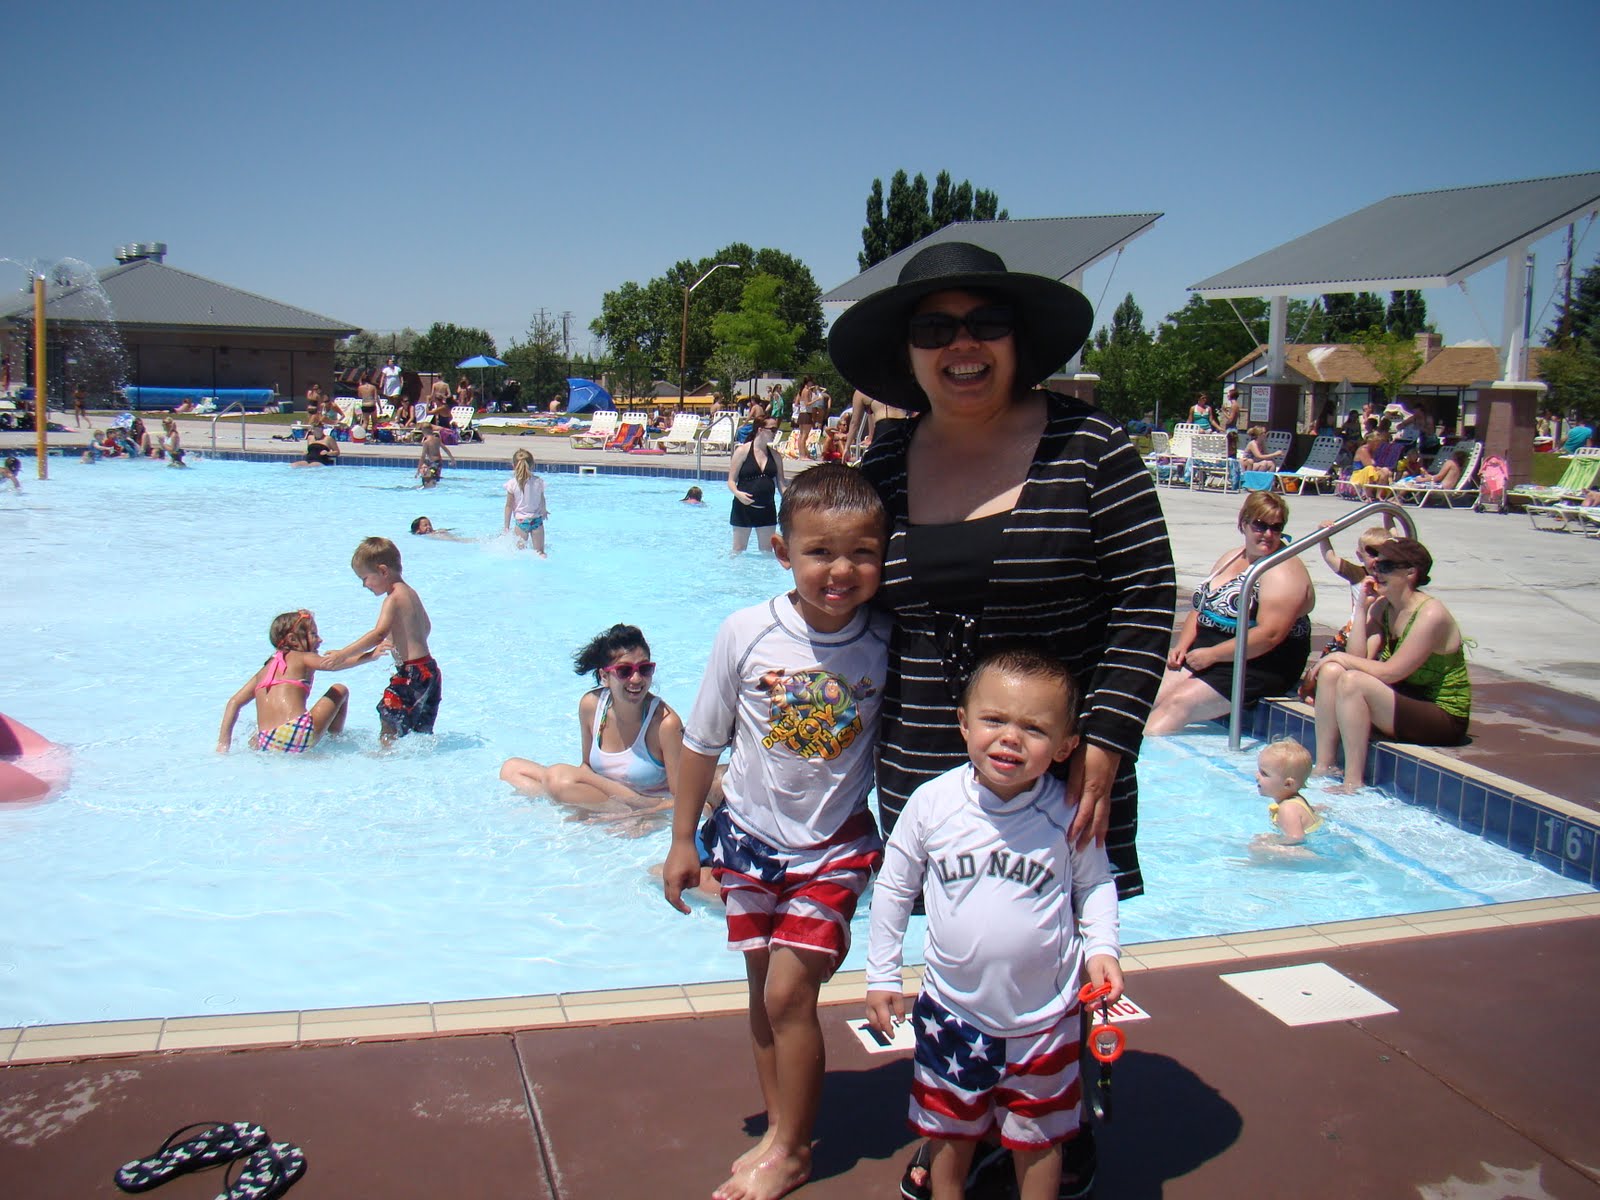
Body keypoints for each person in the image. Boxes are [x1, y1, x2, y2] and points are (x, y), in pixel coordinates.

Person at [832, 242, 1173, 1198]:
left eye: (984, 323)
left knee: (1051, 943)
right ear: (909, 352)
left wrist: (1106, 737)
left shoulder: (1090, 449)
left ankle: (1055, 1124)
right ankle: (965, 1121)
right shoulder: (889, 456)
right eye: (935, 328)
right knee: (963, 947)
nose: (962, 345)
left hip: (1063, 762)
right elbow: (850, 591)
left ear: (1019, 343)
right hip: (923, 765)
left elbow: (1149, 595)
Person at [662, 464, 892, 1200]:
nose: (841, 569)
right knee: (764, 991)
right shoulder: (747, 631)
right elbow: (702, 741)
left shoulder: (888, 640)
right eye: (820, 551)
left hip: (835, 846)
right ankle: (777, 1128)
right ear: (781, 551)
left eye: (862, 552)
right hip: (749, 842)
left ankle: (794, 1150)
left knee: (792, 994)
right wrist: (680, 841)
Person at [865, 647, 1121, 1200]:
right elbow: (893, 889)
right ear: (963, 723)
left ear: (1066, 747)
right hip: (953, 1012)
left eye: (1034, 728)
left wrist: (1104, 947)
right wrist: (883, 975)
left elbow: (1095, 884)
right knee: (948, 1131)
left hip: (1045, 1020)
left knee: (1040, 1137)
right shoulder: (932, 805)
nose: (1010, 738)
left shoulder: (1065, 812)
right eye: (994, 720)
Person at [1146, 491, 1314, 736]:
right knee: (1146, 695)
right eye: (1260, 525)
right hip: (1213, 652)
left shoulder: (1282, 571)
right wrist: (1183, 645)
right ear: (1243, 523)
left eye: (1276, 528)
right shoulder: (1232, 557)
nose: (1268, 534)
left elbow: (1270, 635)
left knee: (1178, 704)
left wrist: (1212, 655)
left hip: (1259, 663)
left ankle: (1142, 766)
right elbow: (1203, 607)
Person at [1308, 538, 1470, 791]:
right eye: (1375, 565)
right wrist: (1361, 609)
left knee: (1352, 681)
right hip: (1406, 701)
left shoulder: (1430, 614)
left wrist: (1339, 656)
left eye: (1385, 566)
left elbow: (1392, 672)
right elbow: (1358, 656)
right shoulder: (1384, 606)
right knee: (1332, 672)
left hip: (1443, 717)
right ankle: (1325, 765)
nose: (1375, 571)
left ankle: (1353, 782)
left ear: (1410, 572)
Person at [500, 624, 685, 821]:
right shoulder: (591, 706)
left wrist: (645, 812)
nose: (636, 678)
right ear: (604, 676)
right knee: (511, 769)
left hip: (647, 803)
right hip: (605, 794)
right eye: (624, 671)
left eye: (645, 668)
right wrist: (575, 786)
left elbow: (684, 799)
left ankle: (598, 811)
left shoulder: (665, 724)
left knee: (557, 777)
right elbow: (587, 767)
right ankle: (592, 808)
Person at [216, 609, 386, 753]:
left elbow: (234, 702)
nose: (320, 640)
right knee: (339, 690)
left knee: (256, 733)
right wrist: (370, 656)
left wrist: (223, 744)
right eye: (314, 634)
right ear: (292, 640)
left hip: (267, 741)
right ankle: (334, 741)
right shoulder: (303, 657)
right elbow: (332, 665)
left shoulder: (264, 670)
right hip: (296, 733)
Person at [334, 538, 440, 743]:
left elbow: (377, 634)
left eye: (364, 578)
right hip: (429, 671)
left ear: (383, 571)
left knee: (388, 720)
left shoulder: (393, 599)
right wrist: (401, 639)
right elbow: (426, 627)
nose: (364, 585)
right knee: (419, 732)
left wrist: (342, 653)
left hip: (411, 673)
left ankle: (383, 759)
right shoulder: (411, 593)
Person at [1247, 738, 1324, 858]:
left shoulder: (1287, 808)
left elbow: (1296, 838)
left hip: (1310, 851)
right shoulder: (1297, 799)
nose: (1256, 776)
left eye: (1264, 773)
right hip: (1316, 843)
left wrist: (1273, 841)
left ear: (1288, 784)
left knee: (1256, 847)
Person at [727, 416, 786, 555]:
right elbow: (731, 481)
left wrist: (793, 501)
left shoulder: (776, 456)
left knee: (767, 553)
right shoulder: (742, 452)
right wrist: (738, 494)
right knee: (738, 551)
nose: (775, 432)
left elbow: (781, 484)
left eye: (776, 429)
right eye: (772, 429)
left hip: (767, 508)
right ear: (760, 429)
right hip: (743, 509)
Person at [503, 447, 548, 554]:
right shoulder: (539, 481)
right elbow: (542, 499)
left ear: (514, 466)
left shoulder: (512, 484)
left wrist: (506, 526)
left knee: (520, 553)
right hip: (536, 520)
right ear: (532, 465)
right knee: (540, 552)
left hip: (521, 522)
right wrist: (544, 511)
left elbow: (509, 506)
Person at [791, 375, 818, 459]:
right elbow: (807, 403)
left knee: (802, 435)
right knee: (804, 436)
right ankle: (803, 455)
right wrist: (817, 399)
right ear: (808, 382)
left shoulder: (803, 390)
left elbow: (797, 403)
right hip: (806, 413)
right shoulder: (806, 391)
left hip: (802, 413)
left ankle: (803, 454)